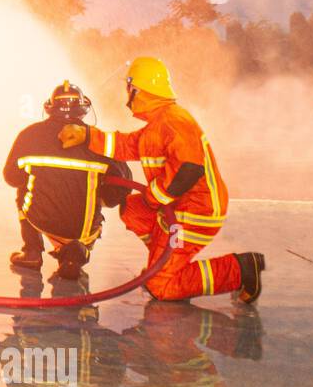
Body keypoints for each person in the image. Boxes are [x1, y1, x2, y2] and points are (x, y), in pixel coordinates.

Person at [59, 56, 265, 302]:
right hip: (176, 208)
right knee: (132, 208)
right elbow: (125, 145)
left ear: (137, 89)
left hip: (196, 212)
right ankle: (166, 260)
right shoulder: (157, 125)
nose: (126, 95)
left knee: (161, 286)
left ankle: (240, 268)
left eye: (129, 88)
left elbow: (189, 169)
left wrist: (156, 195)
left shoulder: (174, 120)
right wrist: (86, 136)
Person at [4, 81, 131, 280]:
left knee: (23, 188)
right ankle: (77, 252)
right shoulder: (100, 141)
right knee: (95, 200)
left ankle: (32, 251)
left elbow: (11, 177)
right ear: (83, 111)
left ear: (49, 108)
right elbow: (122, 188)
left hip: (41, 220)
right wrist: (101, 197)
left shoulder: (28, 135)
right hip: (83, 228)